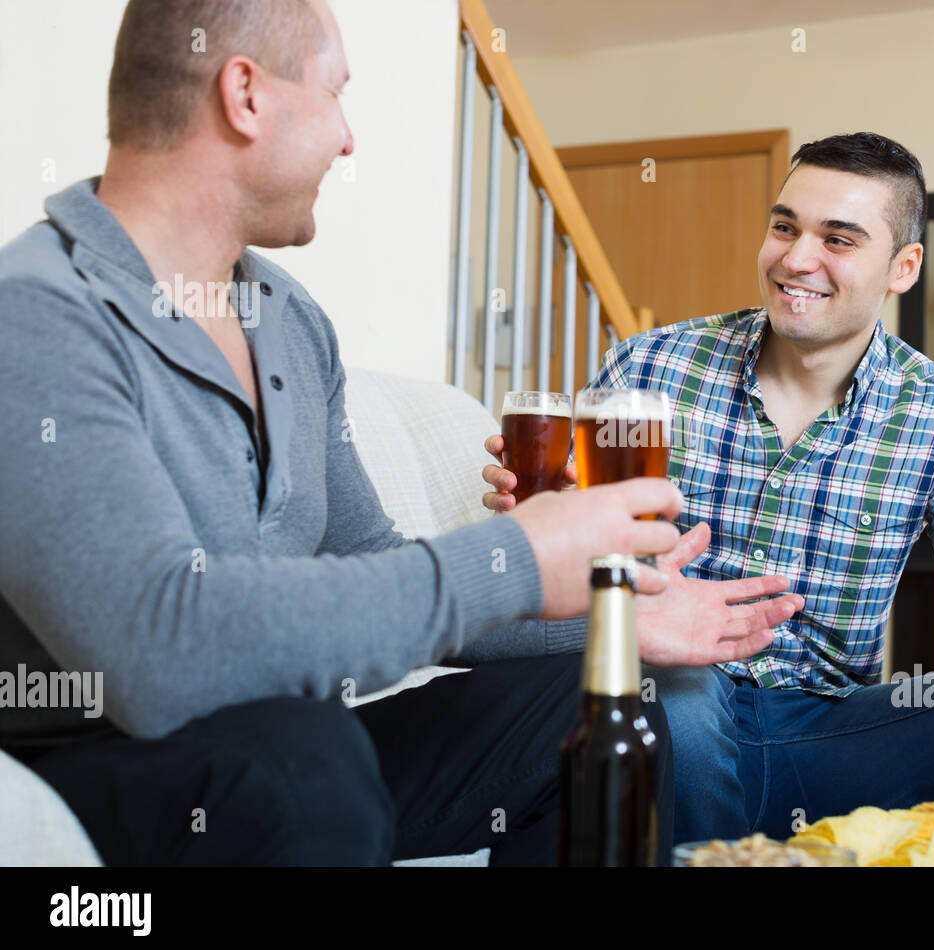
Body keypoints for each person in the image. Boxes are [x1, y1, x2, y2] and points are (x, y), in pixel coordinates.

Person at [0, 0, 802, 866]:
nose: (348, 140)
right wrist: (521, 556)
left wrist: (609, 623)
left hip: (294, 750)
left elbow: (369, 560)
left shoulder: (288, 320)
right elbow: (162, 653)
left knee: (614, 697)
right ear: (246, 95)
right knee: (306, 760)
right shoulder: (40, 315)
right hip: (94, 769)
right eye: (336, 95)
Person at [482, 131, 934, 862]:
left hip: (829, 731)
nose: (795, 258)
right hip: (670, 701)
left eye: (838, 239)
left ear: (902, 267)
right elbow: (591, 560)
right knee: (673, 697)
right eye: (784, 226)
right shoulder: (652, 365)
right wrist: (550, 526)